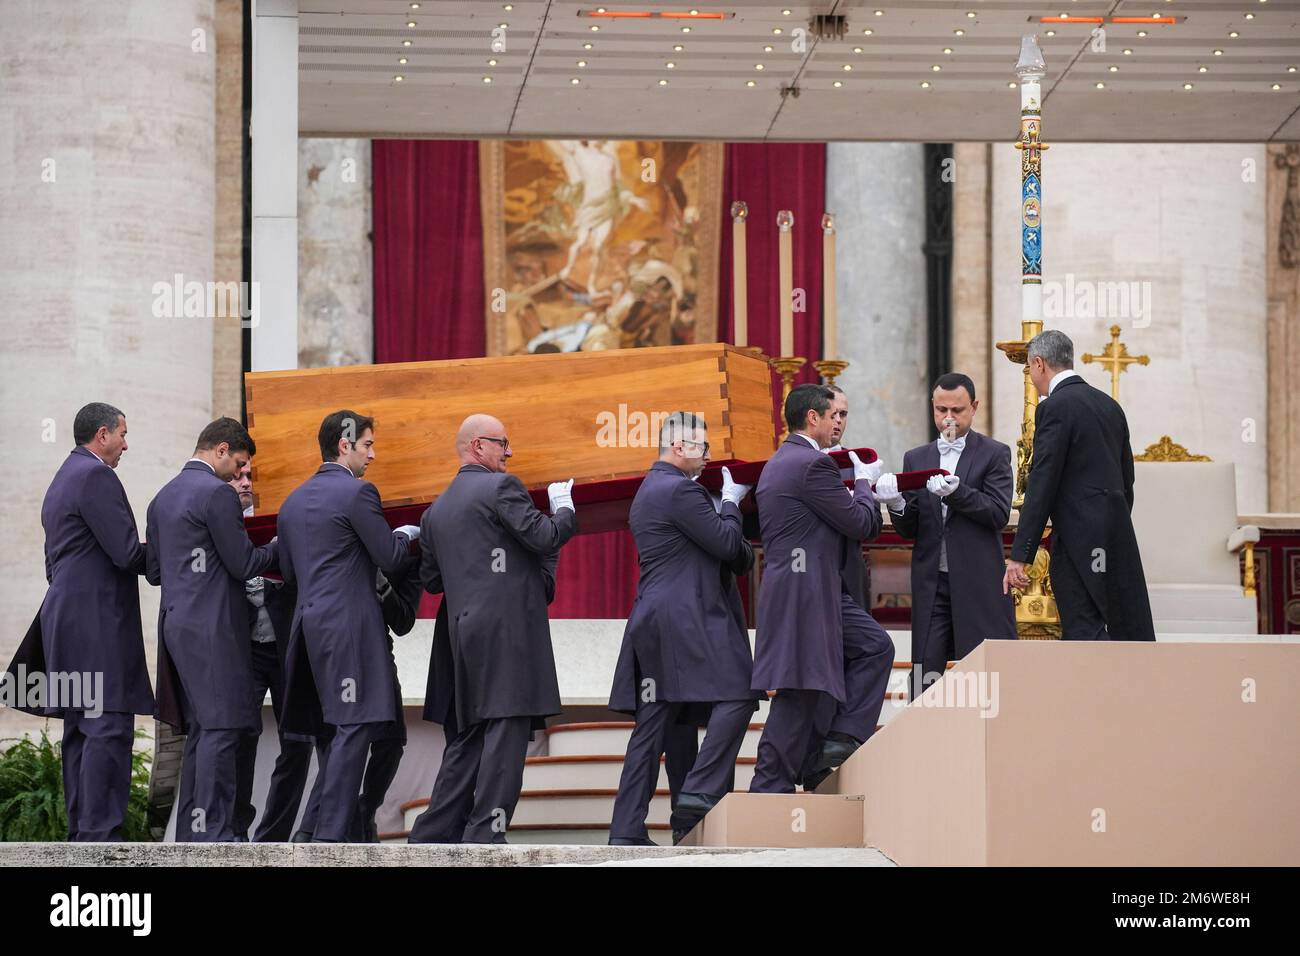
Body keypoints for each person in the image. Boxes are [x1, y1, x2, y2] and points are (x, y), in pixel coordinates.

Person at [408, 414, 577, 844]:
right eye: (504, 443)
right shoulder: (502, 487)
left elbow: (432, 581)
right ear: (479, 446)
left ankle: (434, 832)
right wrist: (564, 508)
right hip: (506, 631)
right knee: (507, 729)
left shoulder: (435, 511)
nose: (510, 452)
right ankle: (486, 831)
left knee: (469, 735)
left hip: (461, 634)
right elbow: (544, 536)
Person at [608, 412, 761, 845]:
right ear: (679, 448)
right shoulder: (680, 491)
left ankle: (627, 829)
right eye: (702, 447)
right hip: (685, 617)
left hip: (654, 618)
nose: (709, 455)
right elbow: (731, 546)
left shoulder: (649, 489)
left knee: (655, 723)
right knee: (740, 693)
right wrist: (730, 502)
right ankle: (698, 792)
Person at [5, 402, 154, 841]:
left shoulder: (61, 480)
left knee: (80, 731)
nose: (126, 444)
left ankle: (82, 834)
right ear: (102, 434)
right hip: (97, 625)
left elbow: (55, 565)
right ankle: (100, 837)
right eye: (123, 434)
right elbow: (127, 552)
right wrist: (177, 549)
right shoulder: (96, 476)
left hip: (64, 623)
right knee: (107, 726)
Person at [277, 410, 419, 843]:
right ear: (345, 445)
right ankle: (329, 840)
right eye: (368, 445)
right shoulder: (358, 494)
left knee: (335, 733)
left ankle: (309, 834)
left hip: (307, 631)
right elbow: (391, 559)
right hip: (349, 629)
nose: (372, 455)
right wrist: (407, 536)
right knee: (355, 728)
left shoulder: (292, 502)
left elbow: (288, 570)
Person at [749, 384, 894, 794]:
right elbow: (862, 524)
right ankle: (767, 787)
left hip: (811, 590)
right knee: (799, 690)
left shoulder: (781, 462)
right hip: (806, 594)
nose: (840, 423)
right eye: (836, 414)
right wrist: (865, 485)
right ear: (812, 417)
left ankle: (836, 745)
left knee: (874, 647)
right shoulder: (813, 466)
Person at [146, 418, 277, 842]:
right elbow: (243, 563)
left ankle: (192, 833)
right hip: (213, 629)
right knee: (221, 729)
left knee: (204, 730)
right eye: (238, 464)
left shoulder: (162, 497)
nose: (239, 476)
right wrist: (279, 544)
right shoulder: (216, 494)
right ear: (220, 449)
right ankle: (216, 833)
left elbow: (153, 571)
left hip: (176, 626)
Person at [1005, 331, 1155, 641]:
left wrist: (1021, 555)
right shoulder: (1110, 407)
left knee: (1084, 629)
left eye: (1030, 370)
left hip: (1076, 540)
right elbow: (1127, 479)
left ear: (1038, 363)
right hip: (1116, 535)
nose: (1032, 379)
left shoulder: (1054, 407)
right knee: (1127, 632)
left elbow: (1043, 482)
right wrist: (1112, 520)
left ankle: (1093, 690)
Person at [876, 373, 1017, 700]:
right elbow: (911, 527)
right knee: (926, 672)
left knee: (983, 670)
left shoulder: (994, 453)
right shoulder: (917, 457)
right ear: (932, 408)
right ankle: (924, 743)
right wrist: (896, 503)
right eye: (942, 410)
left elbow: (997, 513)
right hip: (932, 581)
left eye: (957, 410)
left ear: (974, 407)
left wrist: (958, 494)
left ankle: (986, 742)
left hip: (977, 579)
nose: (949, 418)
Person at [224, 463, 314, 843]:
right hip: (242, 649)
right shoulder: (219, 520)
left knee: (298, 739)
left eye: (251, 478)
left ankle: (273, 836)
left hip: (285, 644)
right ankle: (235, 830)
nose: (246, 484)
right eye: (238, 477)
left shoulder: (286, 517)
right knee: (240, 736)